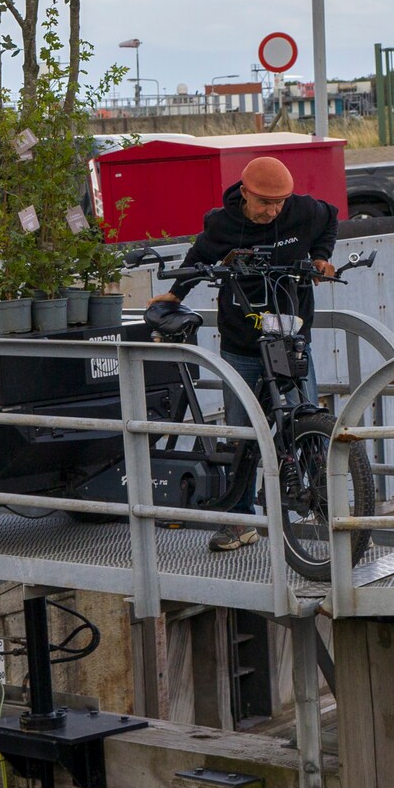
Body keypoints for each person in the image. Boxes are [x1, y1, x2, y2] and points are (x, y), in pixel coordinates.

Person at [150, 154, 337, 550]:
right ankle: (240, 523)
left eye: (279, 204)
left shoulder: (302, 211)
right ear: (245, 193)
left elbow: (330, 217)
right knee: (242, 434)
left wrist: (321, 256)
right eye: (265, 203)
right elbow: (197, 259)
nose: (272, 211)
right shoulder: (222, 224)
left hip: (291, 336)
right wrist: (174, 294)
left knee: (310, 424)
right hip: (242, 343)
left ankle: (333, 514)